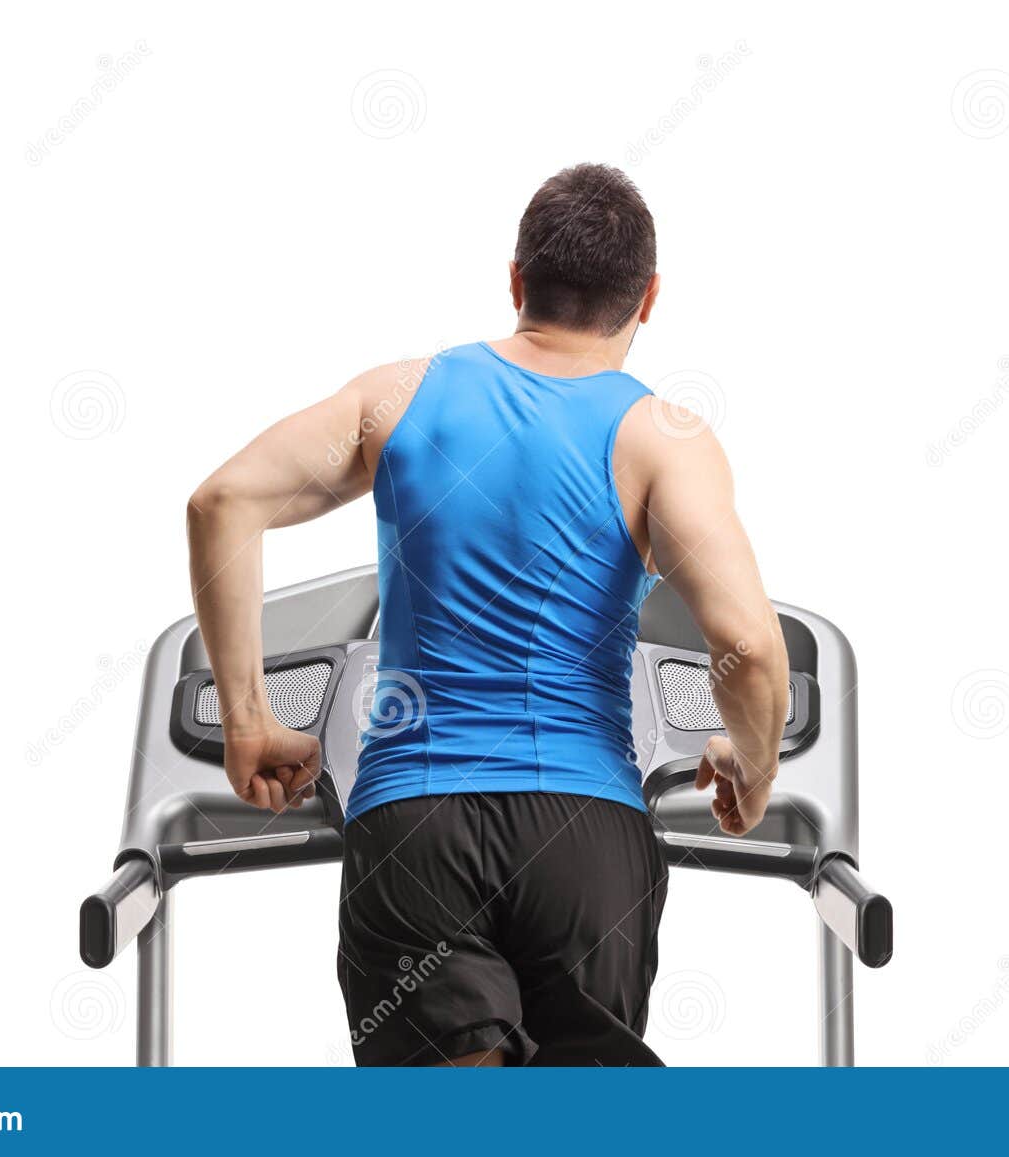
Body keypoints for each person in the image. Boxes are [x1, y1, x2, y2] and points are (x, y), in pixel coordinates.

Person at [186, 163, 790, 1066]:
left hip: (414, 832)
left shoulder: (394, 397)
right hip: (583, 839)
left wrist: (247, 722)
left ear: (516, 281)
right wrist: (753, 762)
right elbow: (745, 645)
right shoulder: (662, 437)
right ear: (649, 298)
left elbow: (222, 503)